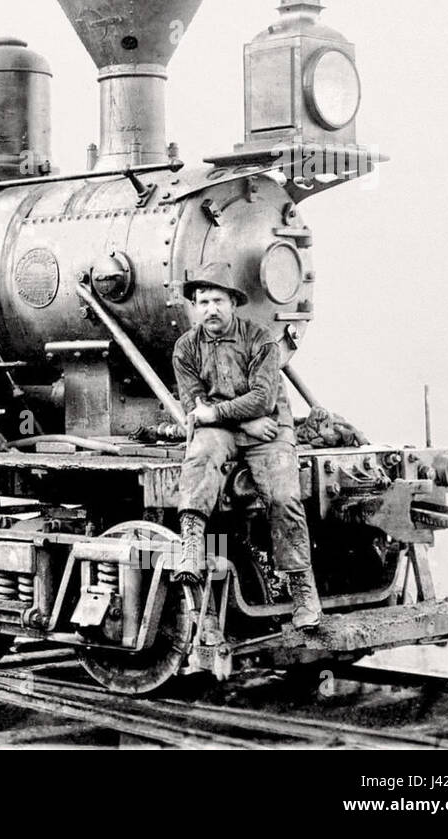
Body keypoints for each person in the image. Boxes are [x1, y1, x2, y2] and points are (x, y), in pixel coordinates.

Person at [171, 262, 322, 630]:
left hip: (268, 433)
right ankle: (190, 548)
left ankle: (303, 591)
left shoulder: (261, 340)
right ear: (194, 305)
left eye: (218, 300)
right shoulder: (185, 348)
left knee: (284, 494)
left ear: (234, 303)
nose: (211, 308)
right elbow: (194, 408)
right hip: (234, 428)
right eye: (203, 301)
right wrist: (239, 419)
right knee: (200, 455)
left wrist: (221, 414)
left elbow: (263, 399)